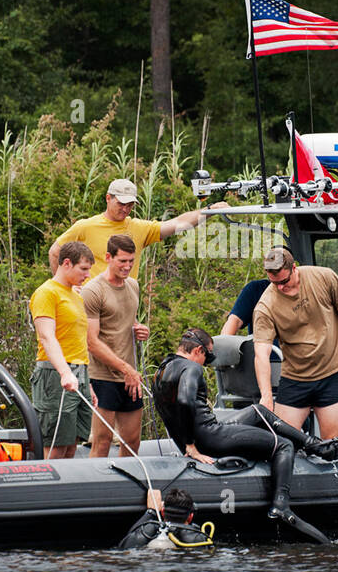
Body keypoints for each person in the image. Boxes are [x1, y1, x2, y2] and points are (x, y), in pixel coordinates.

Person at [153, 328, 338, 544]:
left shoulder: (163, 370)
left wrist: (186, 442)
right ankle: (281, 505)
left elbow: (174, 410)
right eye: (209, 356)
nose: (207, 362)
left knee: (259, 411)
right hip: (210, 438)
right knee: (284, 446)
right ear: (197, 351)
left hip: (205, 433)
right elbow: (185, 400)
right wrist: (190, 446)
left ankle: (314, 445)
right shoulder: (191, 368)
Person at [252, 247, 338, 440]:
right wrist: (266, 395)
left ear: (294, 268)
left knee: (333, 442)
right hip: (295, 379)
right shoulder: (265, 306)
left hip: (331, 373)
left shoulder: (323, 277)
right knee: (282, 443)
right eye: (274, 283)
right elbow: (261, 354)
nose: (280, 287)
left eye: (284, 281)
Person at [48, 178, 229, 279]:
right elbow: (55, 251)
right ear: (108, 198)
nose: (125, 209)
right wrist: (65, 288)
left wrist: (209, 211)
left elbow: (177, 224)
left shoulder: (139, 227)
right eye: (121, 203)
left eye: (130, 205)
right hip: (90, 306)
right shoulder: (85, 226)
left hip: (123, 306)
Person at [83, 234, 148, 458]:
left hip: (129, 375)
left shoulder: (133, 285)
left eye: (131, 261)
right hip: (103, 376)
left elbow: (124, 321)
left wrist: (139, 329)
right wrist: (126, 369)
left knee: (132, 441)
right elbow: (91, 342)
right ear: (108, 257)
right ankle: (94, 490)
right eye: (122, 261)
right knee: (103, 442)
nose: (128, 266)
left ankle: (126, 489)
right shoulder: (93, 290)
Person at [29, 240, 95, 459]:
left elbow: (78, 341)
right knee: (56, 444)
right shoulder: (46, 293)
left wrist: (88, 381)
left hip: (80, 374)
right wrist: (65, 372)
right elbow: (47, 336)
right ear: (67, 263)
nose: (87, 275)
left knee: (73, 442)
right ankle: (47, 490)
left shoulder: (76, 296)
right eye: (83, 269)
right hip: (55, 375)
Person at [117, 488, 213, 550]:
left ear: (162, 512)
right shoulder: (199, 539)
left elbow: (124, 546)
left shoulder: (148, 531)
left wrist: (151, 511)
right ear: (190, 516)